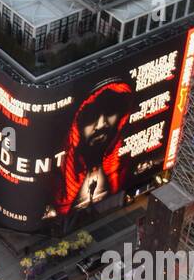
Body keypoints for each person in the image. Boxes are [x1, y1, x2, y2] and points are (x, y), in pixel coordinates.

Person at [48, 81, 134, 217]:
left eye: (110, 112)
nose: (101, 124)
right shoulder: (57, 176)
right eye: (92, 116)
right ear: (77, 122)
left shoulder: (126, 162)